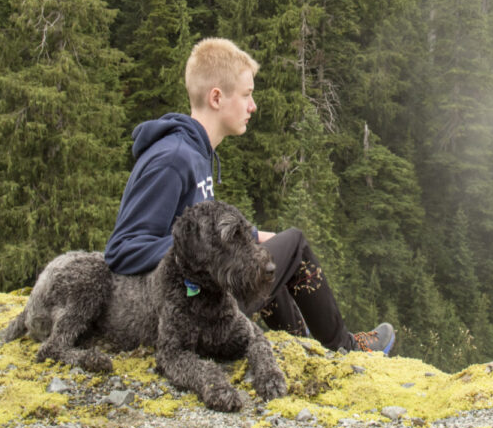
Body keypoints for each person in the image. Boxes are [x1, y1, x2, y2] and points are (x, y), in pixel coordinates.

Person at [105, 37, 394, 354]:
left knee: (264, 251)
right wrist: (209, 253)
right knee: (295, 242)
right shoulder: (173, 159)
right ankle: (345, 347)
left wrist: (248, 238)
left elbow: (205, 234)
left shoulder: (195, 154)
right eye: (246, 95)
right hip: (176, 313)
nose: (252, 106)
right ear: (217, 97)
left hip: (191, 300)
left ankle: (303, 346)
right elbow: (122, 250)